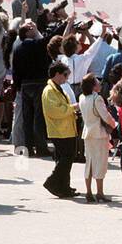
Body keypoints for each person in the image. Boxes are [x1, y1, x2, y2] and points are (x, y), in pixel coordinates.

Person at [41, 61, 79, 198]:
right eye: (65, 74)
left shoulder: (58, 88)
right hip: (59, 131)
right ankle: (52, 182)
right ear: (57, 74)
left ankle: (64, 186)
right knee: (66, 159)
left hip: (66, 129)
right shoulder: (49, 90)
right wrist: (73, 108)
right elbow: (54, 111)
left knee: (66, 159)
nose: (66, 77)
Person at [78, 73, 115, 203]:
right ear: (93, 86)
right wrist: (114, 124)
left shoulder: (82, 97)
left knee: (89, 163)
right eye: (97, 82)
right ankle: (99, 192)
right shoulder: (97, 98)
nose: (99, 84)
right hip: (99, 134)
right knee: (100, 163)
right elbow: (106, 116)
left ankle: (88, 191)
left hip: (87, 133)